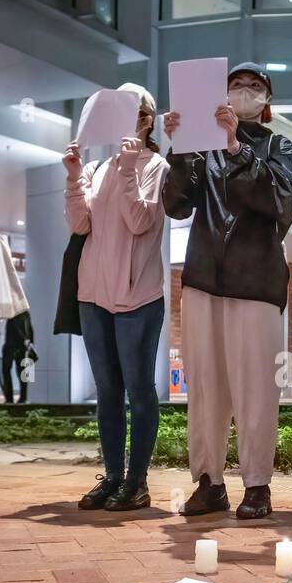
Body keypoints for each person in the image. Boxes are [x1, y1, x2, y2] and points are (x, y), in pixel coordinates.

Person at [162, 62, 292, 519]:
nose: (244, 92)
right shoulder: (200, 147)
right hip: (202, 280)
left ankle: (257, 485)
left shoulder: (278, 144)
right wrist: (179, 148)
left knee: (256, 389)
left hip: (256, 283)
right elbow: (175, 205)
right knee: (205, 389)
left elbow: (278, 202)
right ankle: (208, 481)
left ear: (266, 100)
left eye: (254, 87)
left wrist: (236, 146)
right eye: (235, 86)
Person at [64, 83, 169, 512]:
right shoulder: (98, 167)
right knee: (107, 390)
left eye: (132, 111)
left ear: (147, 120)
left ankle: (137, 481)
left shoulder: (156, 165)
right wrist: (73, 178)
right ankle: (111, 477)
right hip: (93, 295)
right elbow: (79, 225)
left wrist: (129, 170)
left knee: (140, 390)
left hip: (138, 298)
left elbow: (141, 221)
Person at [2, 309, 36, 404]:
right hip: (23, 347)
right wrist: (30, 343)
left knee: (6, 371)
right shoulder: (26, 313)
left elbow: (17, 329)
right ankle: (23, 397)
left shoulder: (12, 312)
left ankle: (10, 398)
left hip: (12, 346)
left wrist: (25, 340)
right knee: (22, 373)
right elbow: (30, 329)